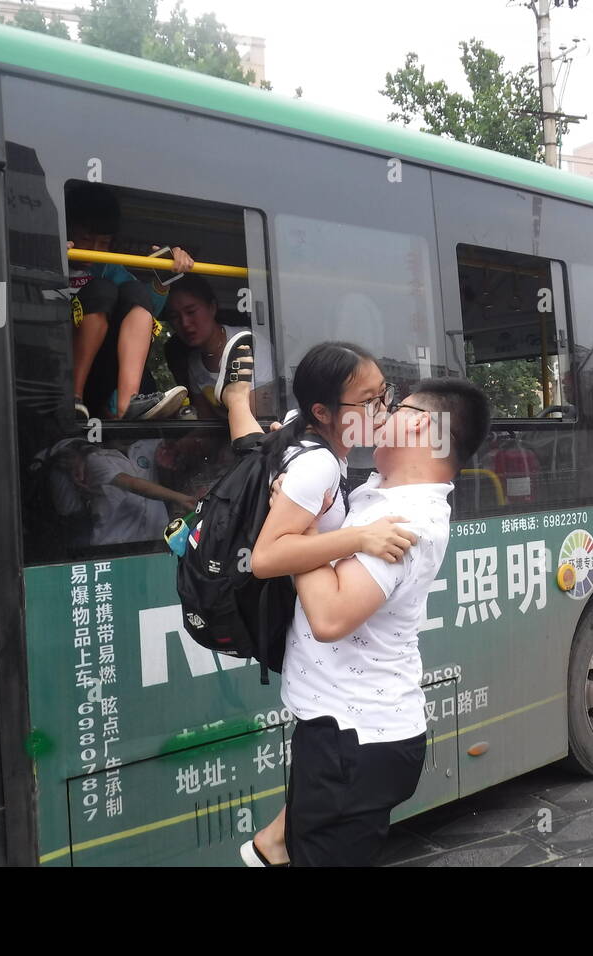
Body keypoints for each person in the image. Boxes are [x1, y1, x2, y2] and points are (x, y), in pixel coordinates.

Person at [246, 377, 491, 867]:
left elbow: (331, 616)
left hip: (354, 743)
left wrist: (301, 533)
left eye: (393, 406)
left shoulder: (407, 520)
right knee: (283, 847)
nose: (381, 414)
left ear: (421, 423)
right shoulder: (381, 491)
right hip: (347, 731)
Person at [64, 182, 193, 421]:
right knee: (101, 290)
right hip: (58, 368)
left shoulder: (107, 268)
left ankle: (128, 402)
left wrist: (165, 275)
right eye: (85, 239)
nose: (93, 250)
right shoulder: (47, 258)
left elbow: (144, 306)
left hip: (99, 377)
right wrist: (49, 253)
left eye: (103, 243)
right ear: (67, 230)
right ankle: (71, 397)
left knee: (131, 289)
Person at [162, 274, 253, 419]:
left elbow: (263, 415)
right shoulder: (194, 363)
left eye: (191, 312)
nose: (184, 323)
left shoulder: (248, 342)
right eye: (174, 317)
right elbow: (206, 424)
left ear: (212, 308)